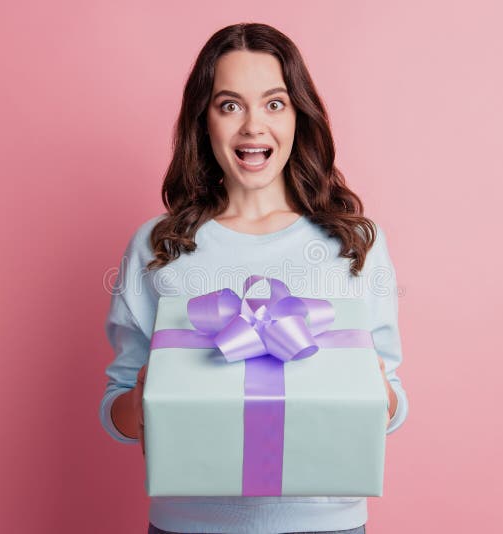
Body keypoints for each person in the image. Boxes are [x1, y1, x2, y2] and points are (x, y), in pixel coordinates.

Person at [99, 22, 408, 534]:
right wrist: (146, 399)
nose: (252, 127)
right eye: (229, 105)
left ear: (298, 117)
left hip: (327, 524)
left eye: (273, 103)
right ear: (203, 121)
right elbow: (116, 414)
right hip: (189, 524)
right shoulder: (158, 247)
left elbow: (393, 408)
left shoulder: (354, 242)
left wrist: (373, 389)